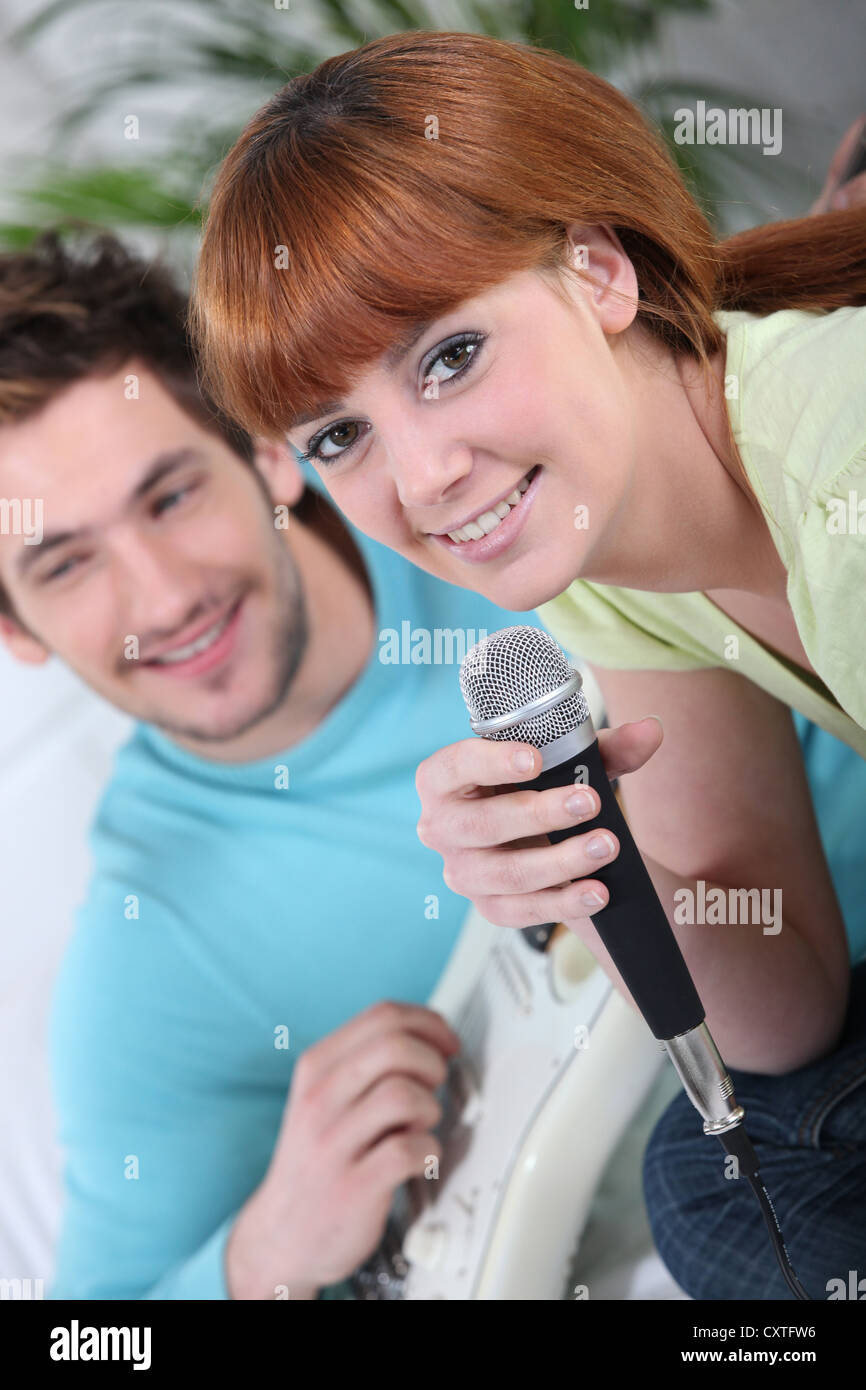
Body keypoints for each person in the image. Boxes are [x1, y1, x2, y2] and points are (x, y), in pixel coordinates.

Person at [189, 30, 866, 1298]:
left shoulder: (841, 464)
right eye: (341, 435)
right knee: (716, 1176)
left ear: (597, 272)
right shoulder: (608, 566)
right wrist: (592, 864)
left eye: (448, 357)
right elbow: (788, 1014)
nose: (423, 477)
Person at [0, 228, 579, 1300]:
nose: (165, 597)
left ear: (271, 453)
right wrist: (257, 1259)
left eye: (171, 496)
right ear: (16, 628)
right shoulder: (156, 958)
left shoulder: (480, 479)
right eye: (66, 562)